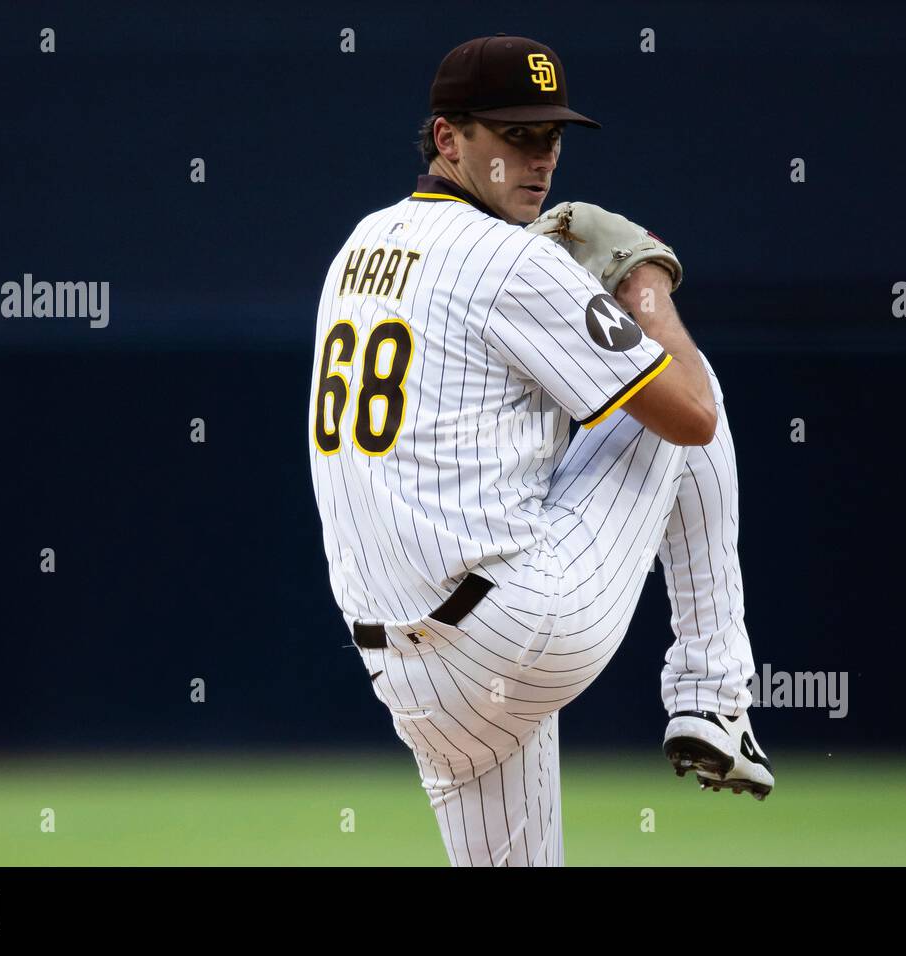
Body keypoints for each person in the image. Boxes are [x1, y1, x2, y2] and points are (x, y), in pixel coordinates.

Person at [308, 33, 772, 867]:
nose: (542, 157)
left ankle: (712, 695)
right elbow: (691, 416)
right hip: (519, 628)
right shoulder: (512, 260)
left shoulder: (358, 248)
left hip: (403, 673)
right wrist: (646, 287)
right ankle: (713, 694)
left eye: (551, 136)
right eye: (515, 135)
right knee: (685, 389)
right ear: (448, 139)